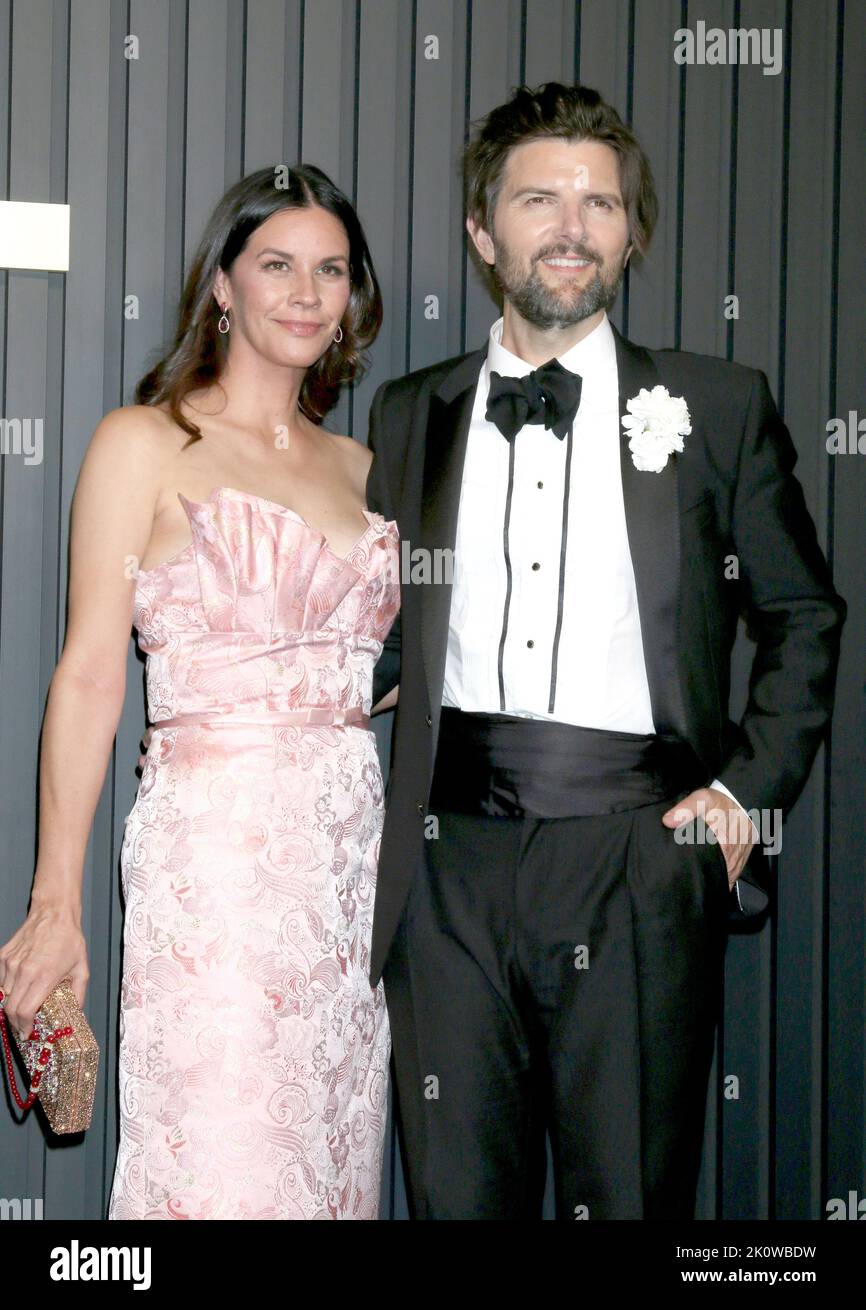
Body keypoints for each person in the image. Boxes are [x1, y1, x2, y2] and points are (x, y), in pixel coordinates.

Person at [364, 82, 846, 1219]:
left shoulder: (715, 405)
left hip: (637, 860)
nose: (571, 224)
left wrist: (743, 792)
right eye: (538, 198)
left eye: (600, 202)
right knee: (455, 1200)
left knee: (627, 1197)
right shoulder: (405, 413)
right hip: (445, 871)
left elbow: (802, 613)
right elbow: (376, 634)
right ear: (483, 232)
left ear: (631, 231)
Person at [0, 165, 401, 1220]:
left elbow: (379, 666)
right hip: (217, 869)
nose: (306, 293)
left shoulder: (366, 470)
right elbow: (89, 675)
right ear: (221, 286)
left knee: (330, 1164)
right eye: (276, 265)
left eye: (329, 269)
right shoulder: (144, 441)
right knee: (223, 1161)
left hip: (352, 881)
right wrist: (55, 901)